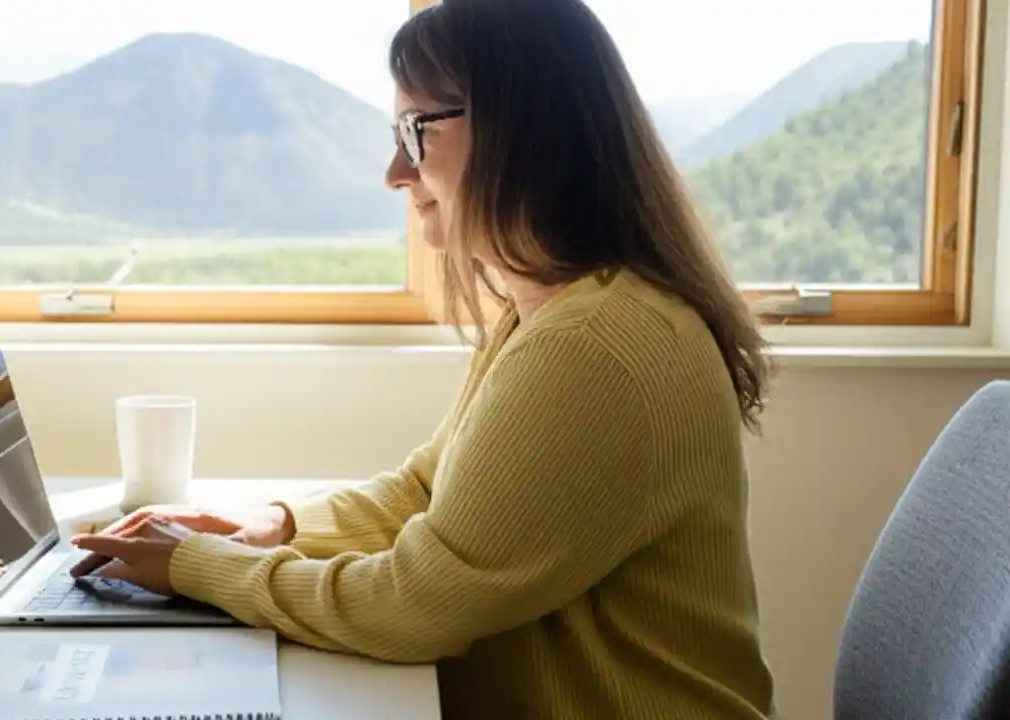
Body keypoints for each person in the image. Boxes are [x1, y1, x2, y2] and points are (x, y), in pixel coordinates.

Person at [70, 0, 776, 716]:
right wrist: (276, 528)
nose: (394, 171)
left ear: (521, 128)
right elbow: (426, 494)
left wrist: (199, 568)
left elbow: (415, 604)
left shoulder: (590, 348)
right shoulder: (554, 313)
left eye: (416, 130)